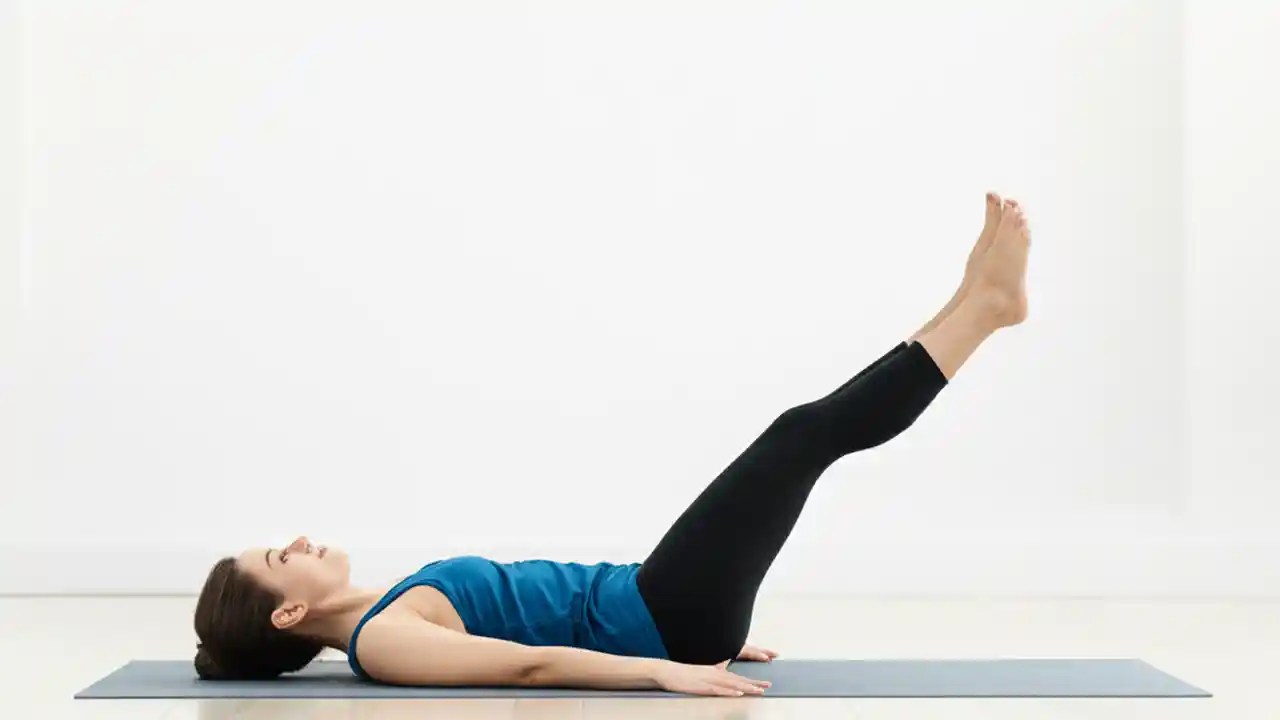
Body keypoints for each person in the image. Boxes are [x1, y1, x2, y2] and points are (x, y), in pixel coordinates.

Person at [194, 193, 1031, 697]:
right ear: (288, 612)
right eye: (279, 557)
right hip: (663, 617)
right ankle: (984, 310)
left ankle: (970, 302)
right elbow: (527, 669)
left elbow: (532, 624)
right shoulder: (382, 643)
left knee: (801, 439)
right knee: (800, 437)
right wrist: (665, 668)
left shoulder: (386, 608)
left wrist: (701, 632)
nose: (297, 540)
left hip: (657, 602)